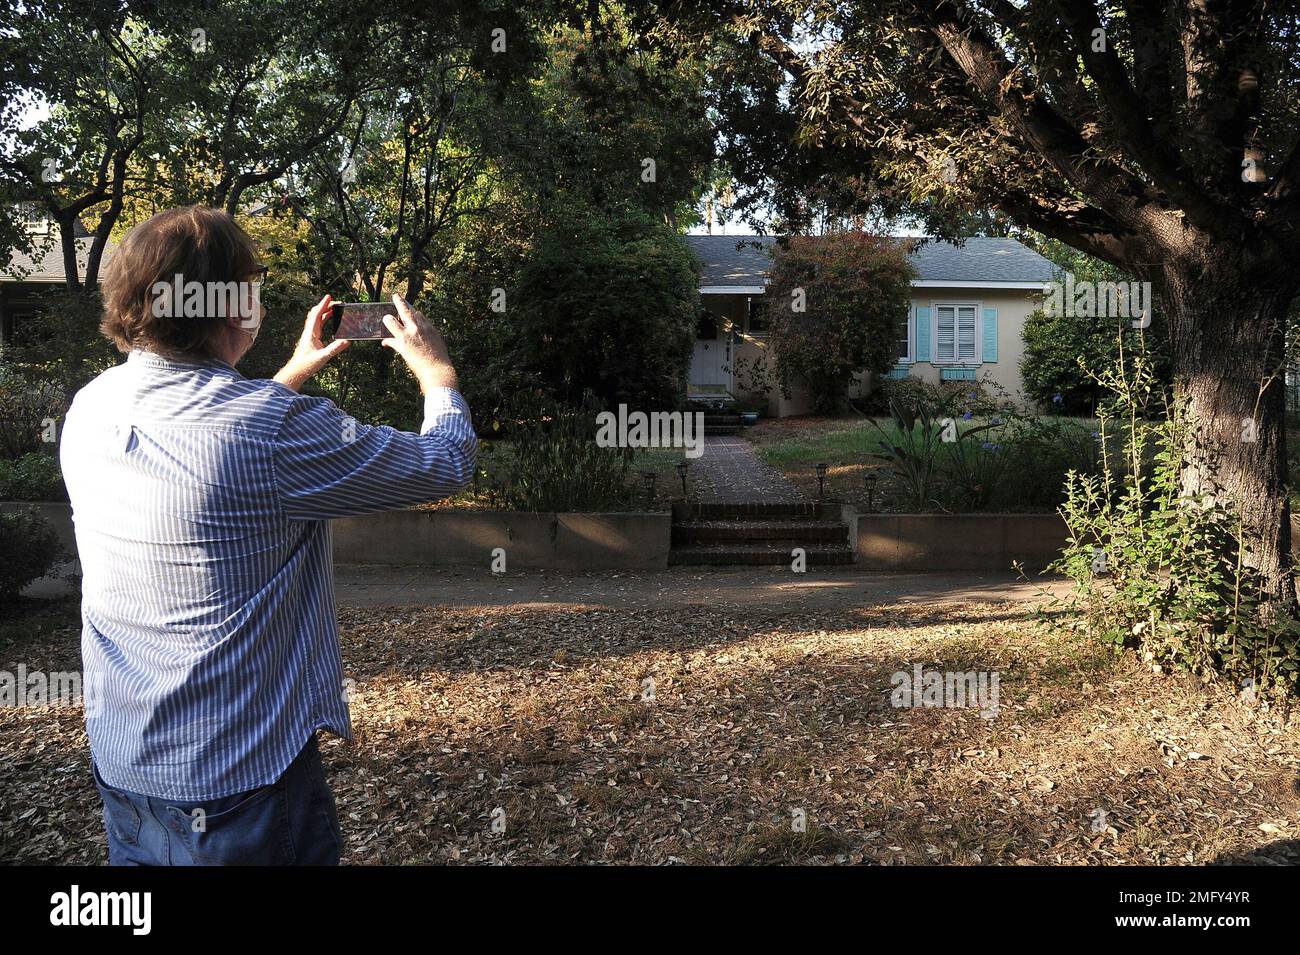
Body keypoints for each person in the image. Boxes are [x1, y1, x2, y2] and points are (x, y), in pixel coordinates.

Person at [59, 205, 477, 865]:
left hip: (127, 773)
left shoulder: (89, 408)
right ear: (230, 307)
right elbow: (445, 463)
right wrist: (437, 374)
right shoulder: (271, 430)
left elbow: (214, 448)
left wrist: (295, 368)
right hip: (243, 791)